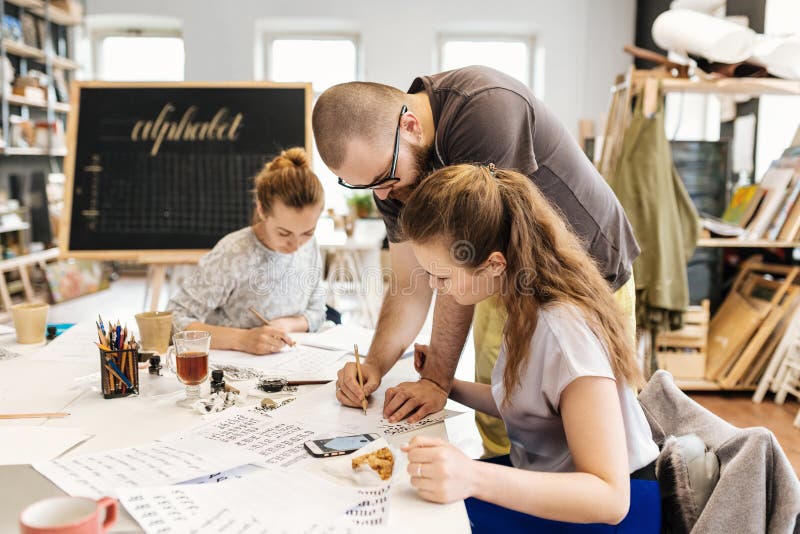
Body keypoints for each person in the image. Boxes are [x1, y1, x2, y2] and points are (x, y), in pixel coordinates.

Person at [313, 66, 639, 456]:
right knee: (506, 421)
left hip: (587, 274)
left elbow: (462, 261)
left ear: (410, 126)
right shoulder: (393, 175)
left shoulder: (485, 110)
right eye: (366, 186)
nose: (382, 194)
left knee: (581, 435)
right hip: (498, 277)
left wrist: (436, 380)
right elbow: (411, 282)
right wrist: (374, 366)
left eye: (384, 177)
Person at [400, 164, 660, 532]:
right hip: (556, 481)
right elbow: (531, 403)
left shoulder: (564, 332)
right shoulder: (524, 303)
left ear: (493, 264)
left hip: (609, 511)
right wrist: (446, 387)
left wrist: (472, 476)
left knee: (427, 520)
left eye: (441, 275)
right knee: (414, 498)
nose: (434, 286)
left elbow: (610, 498)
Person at [168, 147, 326, 354]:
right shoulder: (233, 253)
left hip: (289, 360)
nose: (296, 245)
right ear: (261, 210)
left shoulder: (310, 247)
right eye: (284, 233)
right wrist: (241, 339)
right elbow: (174, 320)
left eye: (307, 232)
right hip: (233, 365)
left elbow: (317, 311)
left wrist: (285, 325)